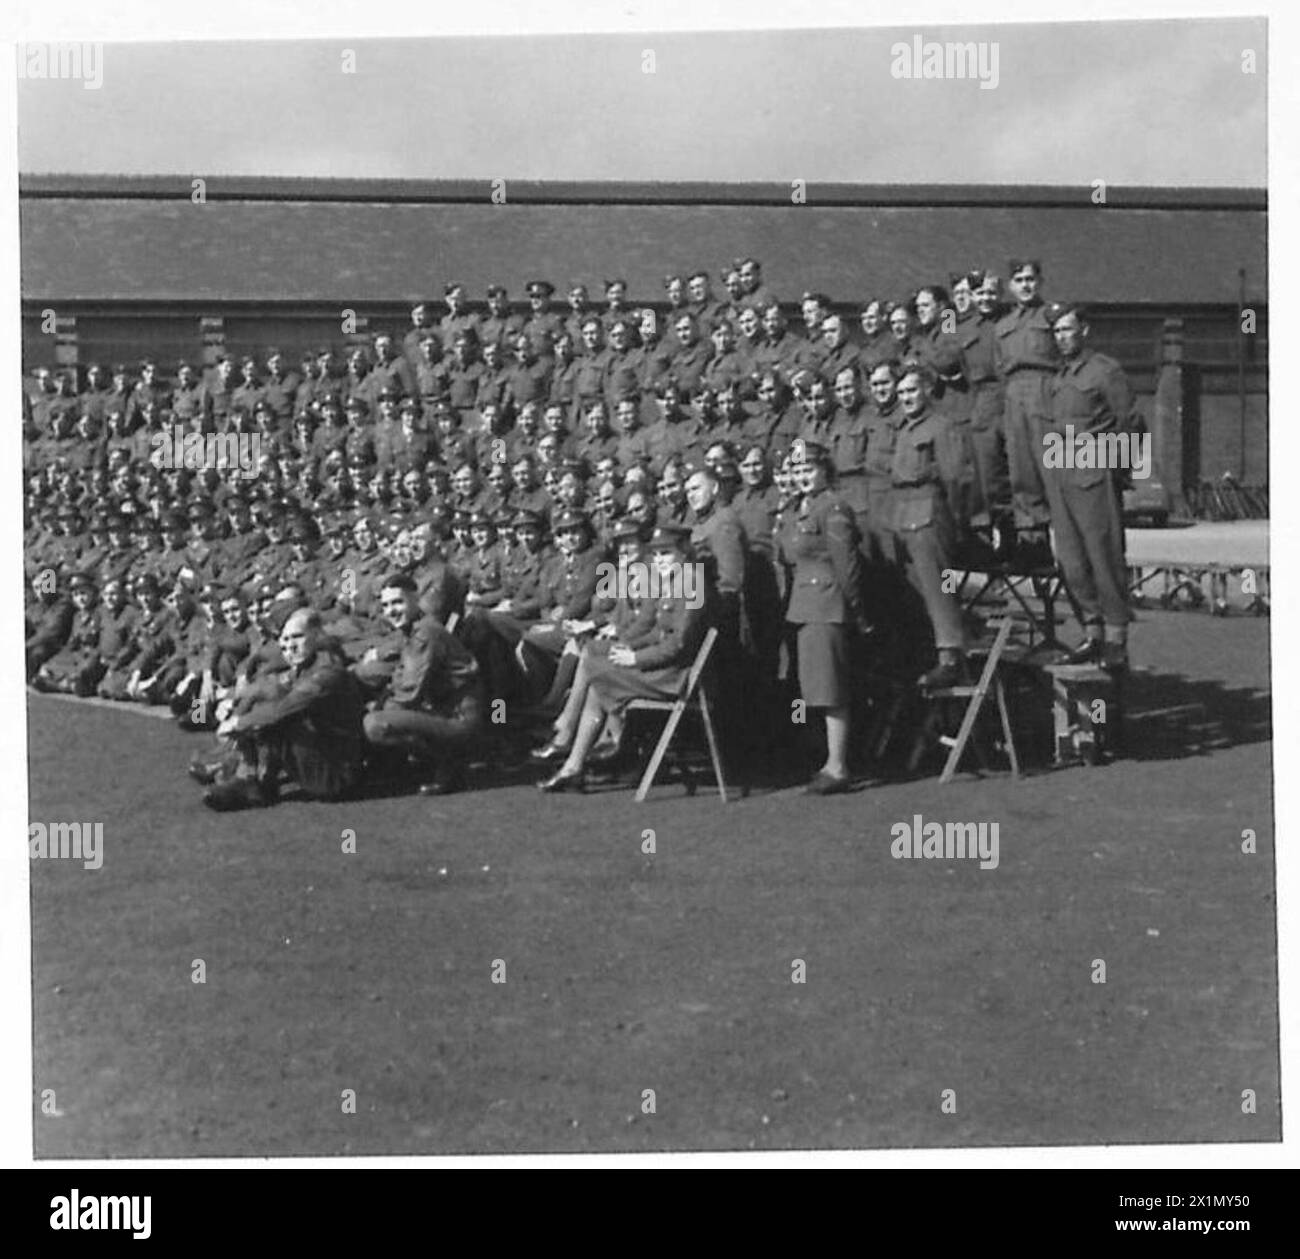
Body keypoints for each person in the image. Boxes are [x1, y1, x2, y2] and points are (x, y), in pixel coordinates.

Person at [537, 524, 707, 792]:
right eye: (657, 554)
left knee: (596, 669)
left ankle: (596, 746)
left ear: (684, 553)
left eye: (667, 553)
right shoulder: (664, 579)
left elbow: (678, 645)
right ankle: (579, 759)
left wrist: (635, 658)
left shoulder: (693, 583)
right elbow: (652, 628)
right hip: (659, 663)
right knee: (594, 652)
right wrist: (624, 647)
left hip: (673, 676)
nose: (660, 560)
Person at [1044, 302, 1136, 669]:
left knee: (1103, 555)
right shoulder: (1058, 375)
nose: (1062, 337)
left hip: (1093, 465)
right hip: (1061, 469)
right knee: (1071, 561)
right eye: (1057, 331)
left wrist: (1117, 471)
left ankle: (1116, 638)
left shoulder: (1104, 370)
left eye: (1068, 329)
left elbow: (1130, 421)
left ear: (1084, 330)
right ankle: (1092, 632)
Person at [200, 608, 367, 810]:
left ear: (316, 635)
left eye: (296, 637)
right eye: (285, 641)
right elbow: (256, 670)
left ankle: (246, 777)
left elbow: (284, 706)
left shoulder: (328, 669)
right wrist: (224, 692)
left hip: (337, 771)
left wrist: (238, 721)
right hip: (212, 685)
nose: (290, 646)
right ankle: (238, 769)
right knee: (264, 696)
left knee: (274, 713)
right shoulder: (304, 662)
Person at [777, 440, 868, 794]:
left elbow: (847, 566)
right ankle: (826, 759)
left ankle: (838, 765)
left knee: (831, 689)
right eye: (797, 470)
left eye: (809, 469)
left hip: (827, 604)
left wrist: (858, 612)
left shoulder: (833, 508)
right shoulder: (800, 507)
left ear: (824, 470)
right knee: (813, 687)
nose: (802, 476)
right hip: (804, 606)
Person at [361, 573, 485, 795]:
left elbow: (409, 693)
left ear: (415, 599)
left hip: (459, 717)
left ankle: (449, 762)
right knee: (384, 706)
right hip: (446, 707)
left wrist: (377, 704)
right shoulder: (416, 626)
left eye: (398, 602)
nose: (391, 610)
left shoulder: (424, 633)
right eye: (386, 605)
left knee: (375, 724)